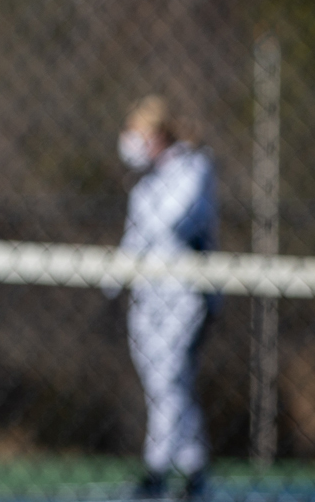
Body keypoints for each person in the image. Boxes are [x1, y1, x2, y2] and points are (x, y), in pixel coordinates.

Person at [115, 96, 216, 500]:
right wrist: (112, 284)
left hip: (185, 294)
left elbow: (174, 222)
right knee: (163, 385)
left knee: (169, 378)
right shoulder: (146, 186)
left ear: (156, 136)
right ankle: (195, 467)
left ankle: (155, 469)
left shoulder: (194, 169)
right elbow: (133, 239)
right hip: (148, 297)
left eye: (138, 135)